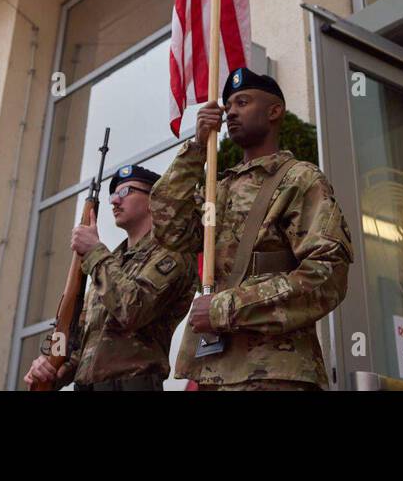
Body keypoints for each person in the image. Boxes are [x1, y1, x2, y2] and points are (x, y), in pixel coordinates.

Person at [149, 67, 352, 390]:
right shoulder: (221, 188)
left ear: (274, 111)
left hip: (274, 371)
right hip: (213, 371)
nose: (230, 112)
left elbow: (327, 275)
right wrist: (196, 149)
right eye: (228, 106)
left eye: (242, 102)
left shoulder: (299, 179)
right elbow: (169, 228)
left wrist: (225, 308)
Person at [23, 164, 196, 391]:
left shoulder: (172, 253)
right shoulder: (110, 262)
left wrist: (95, 251)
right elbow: (82, 340)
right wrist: (50, 368)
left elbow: (132, 309)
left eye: (126, 192)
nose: (114, 201)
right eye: (113, 194)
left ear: (153, 200)